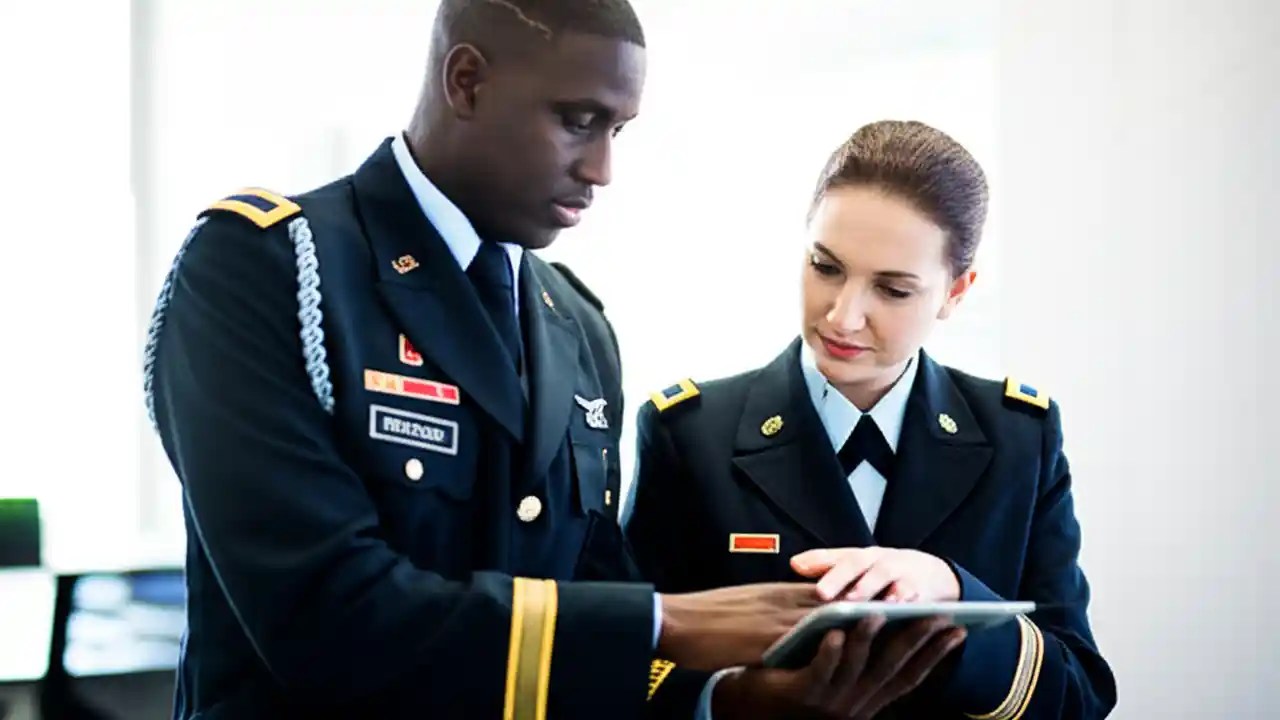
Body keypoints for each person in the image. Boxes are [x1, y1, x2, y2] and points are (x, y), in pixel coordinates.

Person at [143, 2, 949, 718]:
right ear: (466, 81)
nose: (602, 169)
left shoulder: (578, 326)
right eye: (578, 120)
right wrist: (668, 621)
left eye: (616, 131)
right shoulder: (274, 266)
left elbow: (588, 622)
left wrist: (734, 700)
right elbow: (319, 616)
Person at [622, 120, 1118, 718]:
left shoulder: (1019, 438)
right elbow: (619, 665)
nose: (843, 316)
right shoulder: (690, 434)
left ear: (956, 293)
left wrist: (951, 590)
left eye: (893, 290)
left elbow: (1080, 695)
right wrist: (739, 701)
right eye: (826, 267)